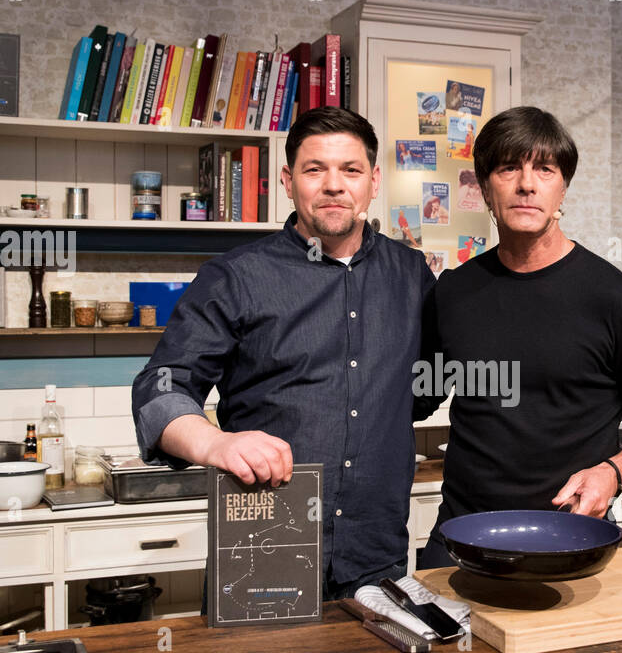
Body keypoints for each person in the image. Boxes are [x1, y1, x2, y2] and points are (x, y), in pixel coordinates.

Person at [132, 107, 435, 601]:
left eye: (351, 170)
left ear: (373, 181)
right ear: (288, 180)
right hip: (262, 549)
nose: (334, 185)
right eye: (315, 169)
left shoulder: (411, 273)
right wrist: (215, 444)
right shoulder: (235, 277)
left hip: (377, 554)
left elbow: (424, 385)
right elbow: (162, 385)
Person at [415, 106, 622, 567]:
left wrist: (613, 472)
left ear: (562, 187)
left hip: (569, 536)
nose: (527, 184)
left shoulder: (618, 299)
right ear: (484, 187)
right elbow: (417, 394)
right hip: (459, 539)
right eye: (509, 168)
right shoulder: (454, 292)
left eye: (544, 169)